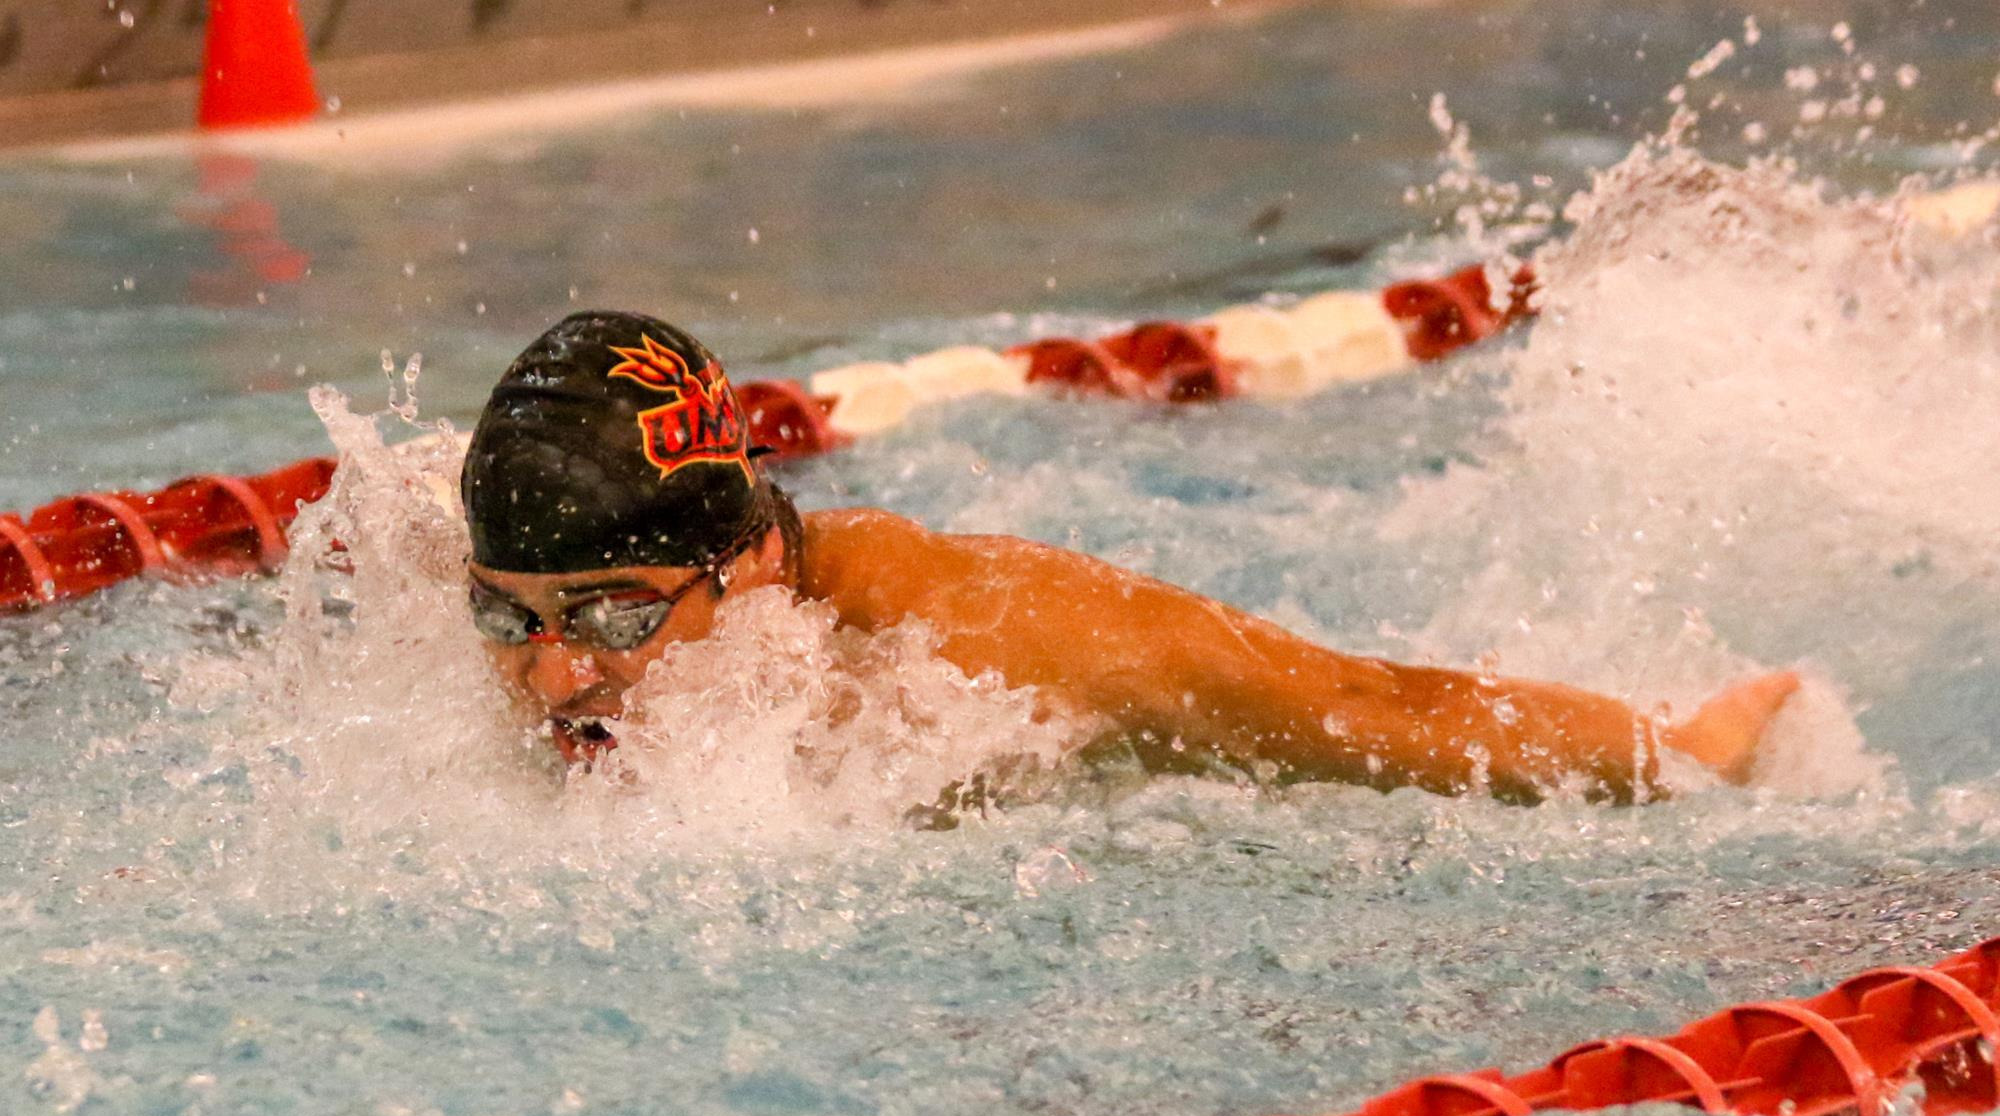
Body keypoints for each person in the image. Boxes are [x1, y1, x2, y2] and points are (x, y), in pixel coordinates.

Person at [461, 312, 1797, 801]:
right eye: (506, 616)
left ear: (749, 565)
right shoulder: (537, 601)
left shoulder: (982, 644)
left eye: (617, 620)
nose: (551, 677)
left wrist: (1681, 751)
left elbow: (1376, 708)